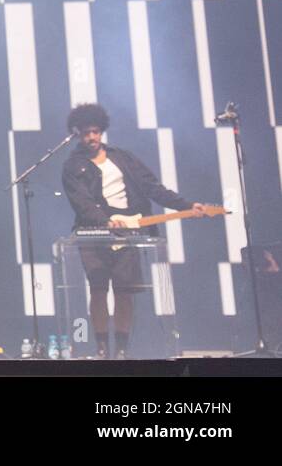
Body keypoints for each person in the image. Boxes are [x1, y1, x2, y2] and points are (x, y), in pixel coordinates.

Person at [60, 103, 208, 359]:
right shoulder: (72, 166)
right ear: (77, 134)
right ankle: (101, 348)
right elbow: (81, 201)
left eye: (95, 131)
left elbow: (153, 187)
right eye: (85, 133)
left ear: (102, 130)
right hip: (93, 234)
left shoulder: (123, 158)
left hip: (129, 232)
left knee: (124, 291)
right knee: (98, 289)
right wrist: (105, 221)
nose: (91, 137)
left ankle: (121, 350)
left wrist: (186, 205)